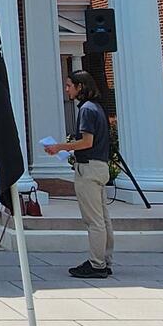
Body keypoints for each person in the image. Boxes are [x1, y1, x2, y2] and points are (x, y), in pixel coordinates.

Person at [43, 70, 113, 279]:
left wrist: (59, 147)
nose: (67, 89)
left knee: (93, 220)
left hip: (89, 168)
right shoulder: (97, 108)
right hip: (99, 166)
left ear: (80, 87)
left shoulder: (87, 110)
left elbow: (87, 142)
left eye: (69, 85)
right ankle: (104, 259)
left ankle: (97, 263)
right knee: (103, 218)